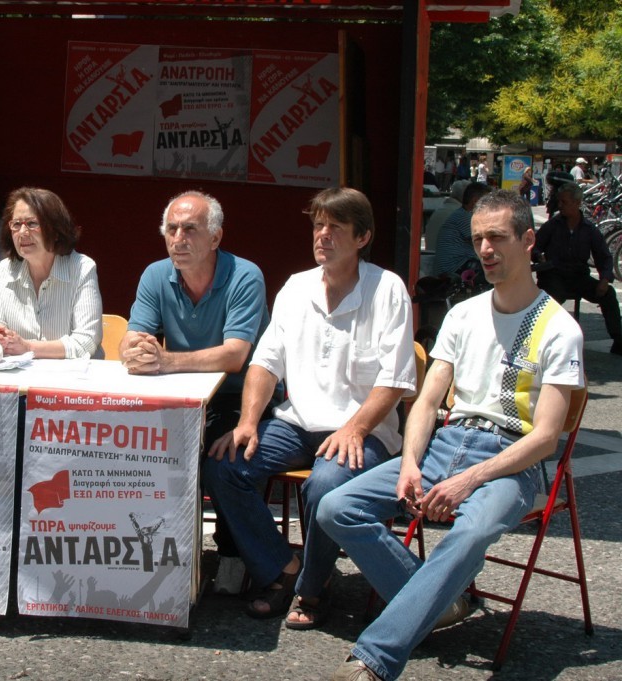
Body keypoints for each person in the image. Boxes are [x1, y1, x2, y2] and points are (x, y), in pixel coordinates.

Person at [321, 190, 584, 681]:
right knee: (337, 507)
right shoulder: (463, 314)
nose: (485, 249)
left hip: (511, 458)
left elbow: (547, 436)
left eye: (497, 238)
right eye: (478, 238)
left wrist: (468, 482)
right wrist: (410, 463)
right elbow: (425, 400)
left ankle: (375, 659)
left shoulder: (560, 329)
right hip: (448, 442)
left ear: (529, 241)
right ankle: (439, 599)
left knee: (472, 530)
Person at [203, 187, 415, 624]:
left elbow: (394, 381)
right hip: (298, 423)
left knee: (324, 484)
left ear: (362, 238)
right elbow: (265, 363)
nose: (322, 235)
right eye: (318, 225)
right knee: (223, 464)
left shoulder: (386, 288)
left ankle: (311, 589)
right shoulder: (296, 287)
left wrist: (354, 428)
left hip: (365, 429)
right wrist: (247, 422)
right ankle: (283, 567)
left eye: (335, 227)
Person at [119, 190, 268, 593]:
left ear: (216, 238)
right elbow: (133, 337)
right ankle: (159, 554)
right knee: (136, 446)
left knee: (219, 457)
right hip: (183, 395)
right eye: (171, 229)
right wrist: (133, 351)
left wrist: (166, 361)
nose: (178, 239)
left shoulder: (245, 275)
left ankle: (232, 554)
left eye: (190, 229)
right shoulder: (155, 274)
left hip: (240, 397)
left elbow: (236, 355)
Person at [0, 187, 103, 358]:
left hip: (71, 378)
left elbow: (86, 342)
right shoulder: (4, 271)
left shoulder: (82, 268)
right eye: (16, 224)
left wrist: (28, 347)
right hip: (18, 376)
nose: (22, 232)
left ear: (56, 231)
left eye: (32, 224)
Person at [533, 181, 622, 356]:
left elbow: (604, 257)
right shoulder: (553, 225)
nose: (560, 206)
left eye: (564, 202)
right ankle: (544, 340)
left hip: (578, 276)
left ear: (576, 203)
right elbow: (534, 246)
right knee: (552, 295)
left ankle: (619, 340)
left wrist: (604, 279)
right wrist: (538, 255)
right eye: (559, 202)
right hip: (554, 274)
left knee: (609, 294)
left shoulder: (589, 229)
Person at [433, 182, 492, 278]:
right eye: (488, 203)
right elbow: (486, 239)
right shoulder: (465, 217)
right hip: (452, 269)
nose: (491, 207)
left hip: (455, 266)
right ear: (475, 202)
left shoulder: (462, 214)